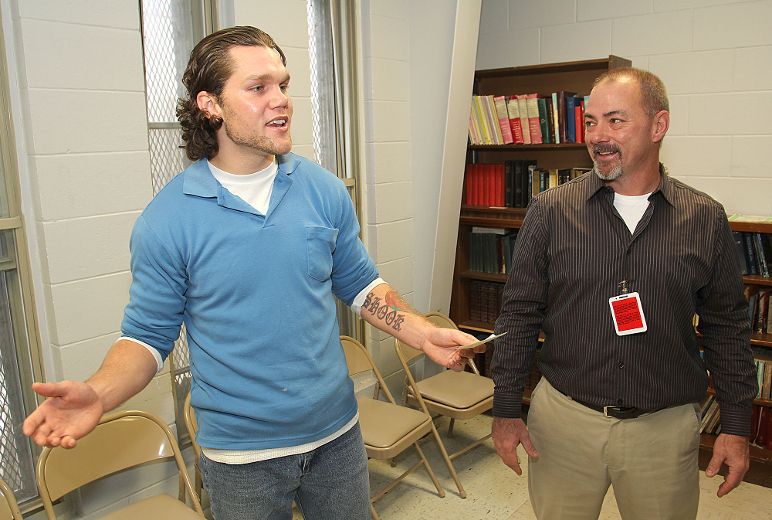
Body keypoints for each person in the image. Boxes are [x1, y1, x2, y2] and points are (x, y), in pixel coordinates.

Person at [23, 26, 480, 520]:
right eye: (258, 87)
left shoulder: (323, 190)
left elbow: (361, 285)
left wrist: (423, 334)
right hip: (242, 459)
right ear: (210, 105)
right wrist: (99, 392)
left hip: (337, 435)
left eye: (283, 84)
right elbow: (147, 339)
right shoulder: (167, 221)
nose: (280, 99)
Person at [490, 67, 757, 519]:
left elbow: (727, 326)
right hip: (564, 424)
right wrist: (505, 408)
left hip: (663, 430)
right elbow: (518, 315)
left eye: (615, 120)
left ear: (658, 125)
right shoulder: (550, 211)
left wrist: (734, 425)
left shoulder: (704, 218)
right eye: (590, 122)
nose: (598, 136)